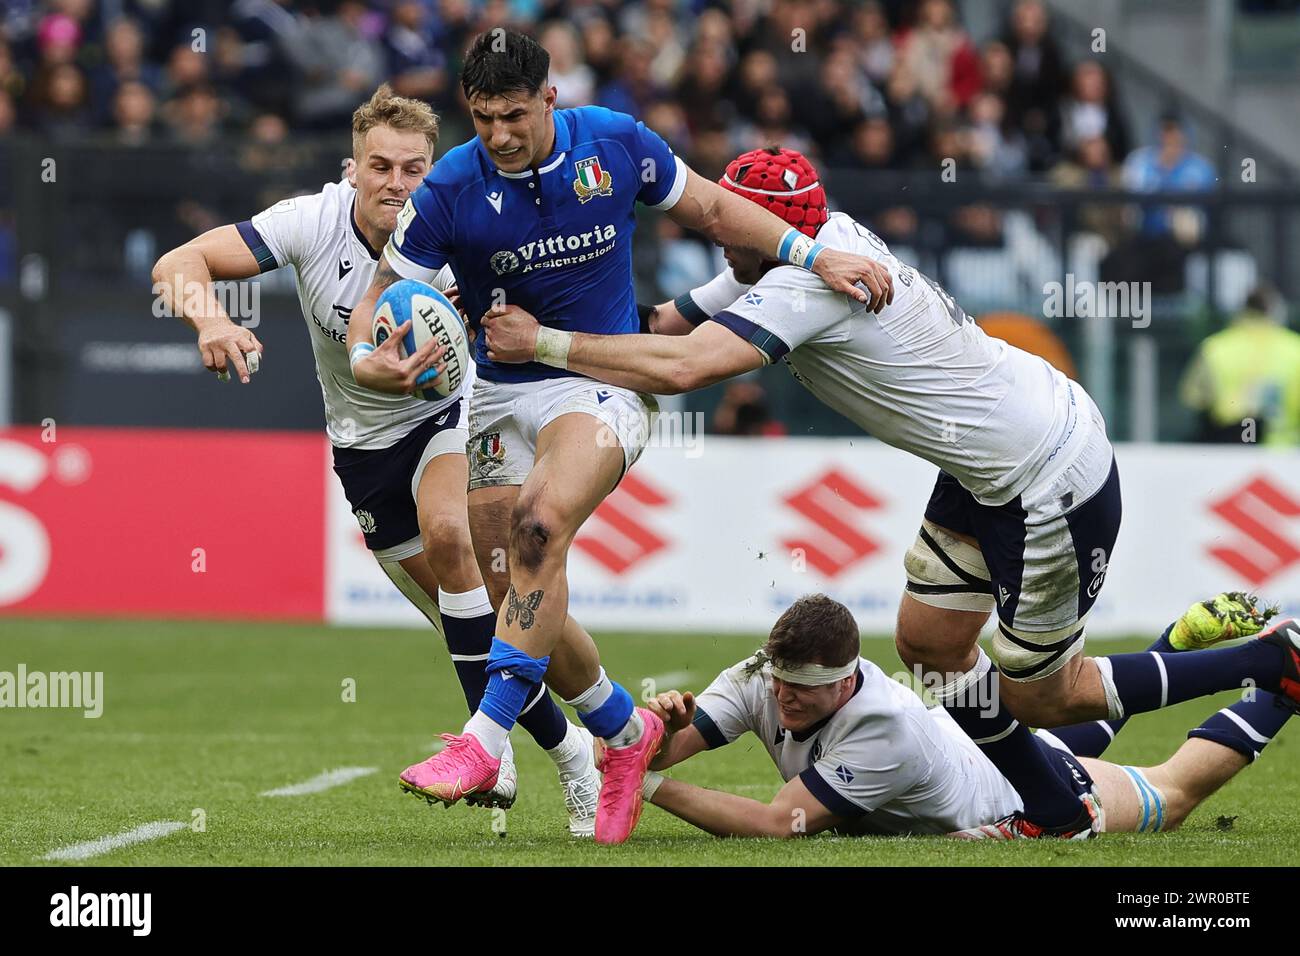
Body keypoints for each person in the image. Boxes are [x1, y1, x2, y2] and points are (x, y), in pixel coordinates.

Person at [479, 144, 1300, 838]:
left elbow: (688, 366)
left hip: (1045, 471)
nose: (717, 234)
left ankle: (1273, 659)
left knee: (1044, 695)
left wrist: (546, 344)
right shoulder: (801, 245)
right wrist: (519, 296)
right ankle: (1051, 804)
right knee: (931, 644)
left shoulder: (804, 284)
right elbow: (663, 325)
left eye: (726, 222)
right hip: (986, 461)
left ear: (766, 227)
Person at [344, 30, 894, 845]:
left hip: (600, 381)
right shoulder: (451, 188)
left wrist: (814, 255)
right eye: (485, 117)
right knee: (516, 590)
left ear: (550, 99)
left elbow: (710, 205)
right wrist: (368, 360)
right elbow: (385, 293)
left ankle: (483, 743)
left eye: (515, 115)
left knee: (540, 525)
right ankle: (626, 733)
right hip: (495, 392)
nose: (499, 134)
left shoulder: (616, 143)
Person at [150, 84, 600, 837]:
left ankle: (491, 748)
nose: (397, 183)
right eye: (381, 167)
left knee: (456, 539)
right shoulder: (308, 222)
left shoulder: (462, 218)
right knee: (481, 626)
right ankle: (575, 752)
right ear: (351, 168)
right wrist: (209, 319)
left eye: (414, 168)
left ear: (435, 169)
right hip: (363, 449)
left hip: (455, 415)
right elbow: (179, 260)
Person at [635, 593, 1295, 840]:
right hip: (987, 749)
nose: (783, 701)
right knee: (1068, 718)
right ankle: (1178, 640)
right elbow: (664, 746)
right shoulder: (761, 677)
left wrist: (646, 786)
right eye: (778, 685)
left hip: (1032, 800)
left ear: (846, 683)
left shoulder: (880, 725)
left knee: (1174, 795)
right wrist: (658, 731)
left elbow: (779, 823)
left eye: (802, 692)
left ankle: (1281, 677)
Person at [1179, 285, 1300, 446]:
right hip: (1283, 449)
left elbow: (1193, 398)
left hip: (1230, 445)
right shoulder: (1294, 348)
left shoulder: (1216, 347)